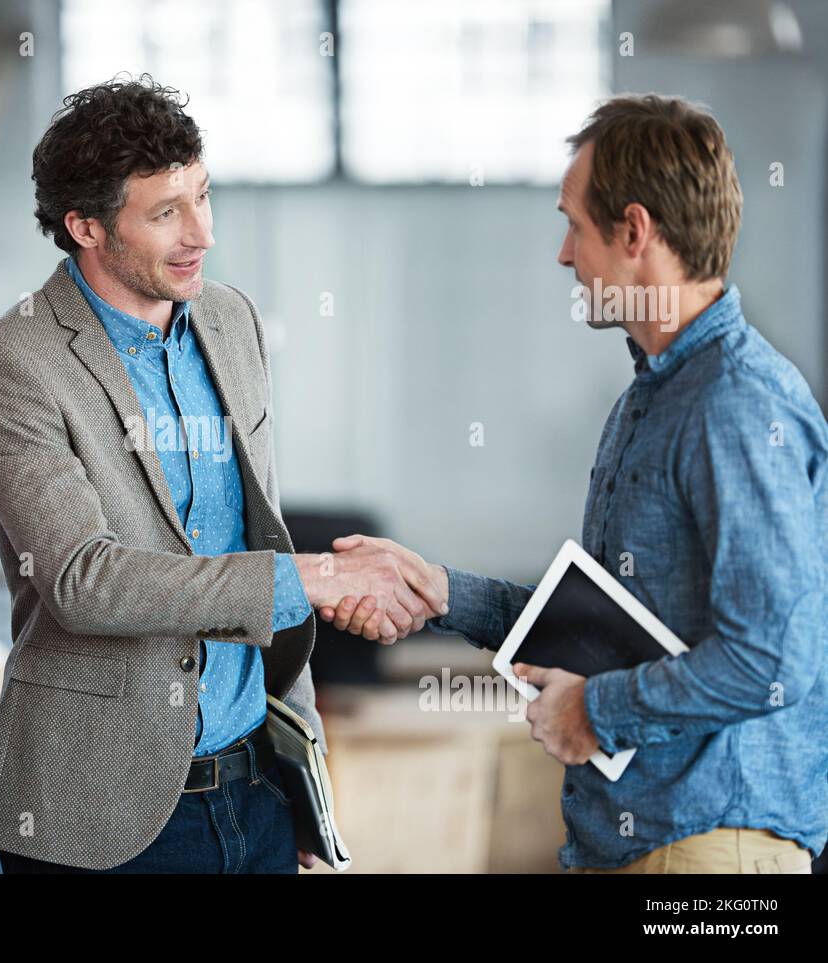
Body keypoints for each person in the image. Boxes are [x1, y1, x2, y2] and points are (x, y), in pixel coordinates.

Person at [0, 76, 444, 874]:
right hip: (99, 815)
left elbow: (262, 535)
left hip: (256, 791)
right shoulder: (10, 367)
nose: (200, 234)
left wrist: (305, 786)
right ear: (84, 226)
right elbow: (85, 581)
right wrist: (313, 575)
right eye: (164, 214)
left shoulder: (231, 320)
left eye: (203, 197)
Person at [325, 94, 828, 874]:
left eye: (574, 226)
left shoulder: (736, 402)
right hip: (644, 843)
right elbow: (601, 624)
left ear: (635, 231)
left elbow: (772, 659)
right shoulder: (652, 397)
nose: (564, 255)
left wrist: (594, 711)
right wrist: (438, 590)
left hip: (708, 851)